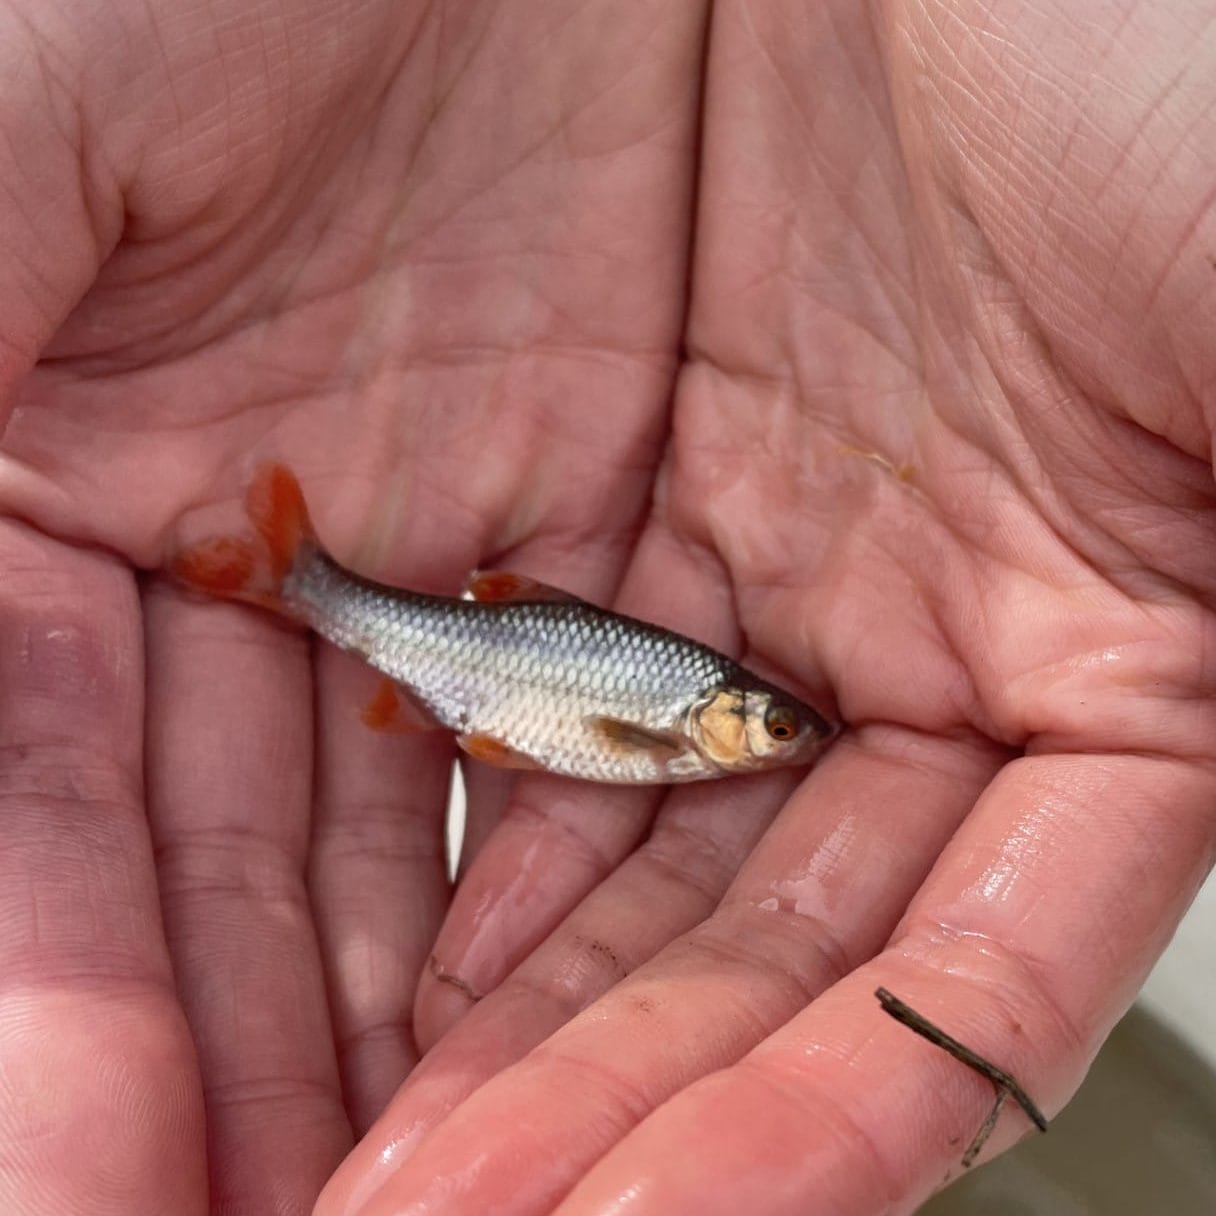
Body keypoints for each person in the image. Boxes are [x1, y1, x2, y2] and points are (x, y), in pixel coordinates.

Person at [1, 1, 1212, 1213]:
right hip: (459, 644)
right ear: (728, 718)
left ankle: (299, 583)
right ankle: (300, 582)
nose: (784, 740)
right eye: (776, 728)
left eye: (779, 729)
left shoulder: (679, 721)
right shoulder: (677, 721)